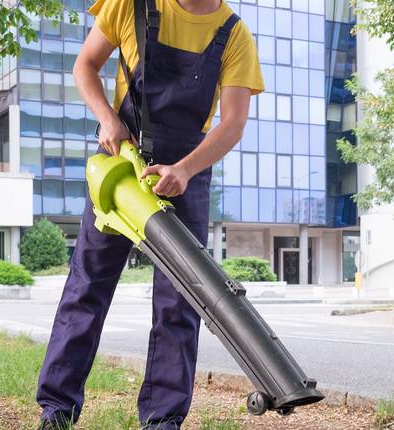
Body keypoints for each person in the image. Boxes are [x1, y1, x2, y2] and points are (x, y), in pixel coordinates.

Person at [35, 0, 262, 428]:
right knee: (88, 285)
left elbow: (232, 123)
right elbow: (85, 66)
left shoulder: (234, 33)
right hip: (123, 165)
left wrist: (186, 169)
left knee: (180, 302)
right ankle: (57, 408)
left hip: (185, 177)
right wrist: (107, 119)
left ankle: (162, 421)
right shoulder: (131, 4)